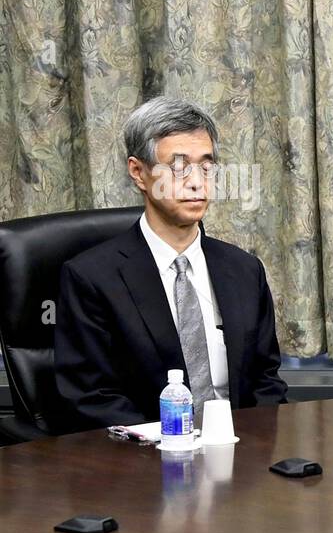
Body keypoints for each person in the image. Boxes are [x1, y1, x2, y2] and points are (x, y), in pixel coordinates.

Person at [54, 97, 287, 428]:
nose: (196, 182)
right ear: (139, 172)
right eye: (178, 168)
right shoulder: (91, 277)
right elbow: (91, 398)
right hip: (144, 463)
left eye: (206, 167)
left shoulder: (245, 270)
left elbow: (266, 382)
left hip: (241, 457)